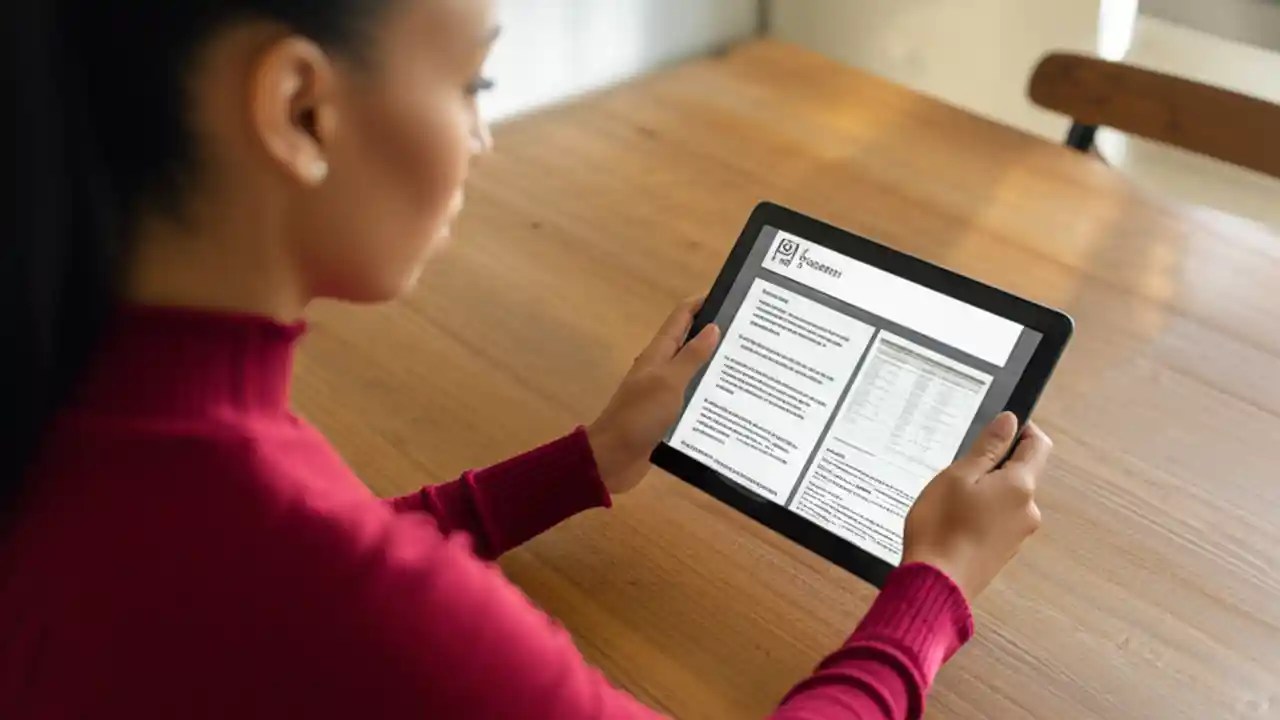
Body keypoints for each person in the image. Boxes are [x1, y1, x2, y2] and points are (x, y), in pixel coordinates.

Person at [2, 0, 1052, 717]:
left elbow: (265, 585)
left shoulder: (90, 401)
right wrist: (933, 586)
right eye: (472, 82)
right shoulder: (307, 562)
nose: (483, 137)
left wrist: (582, 463)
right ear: (298, 110)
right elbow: (333, 584)